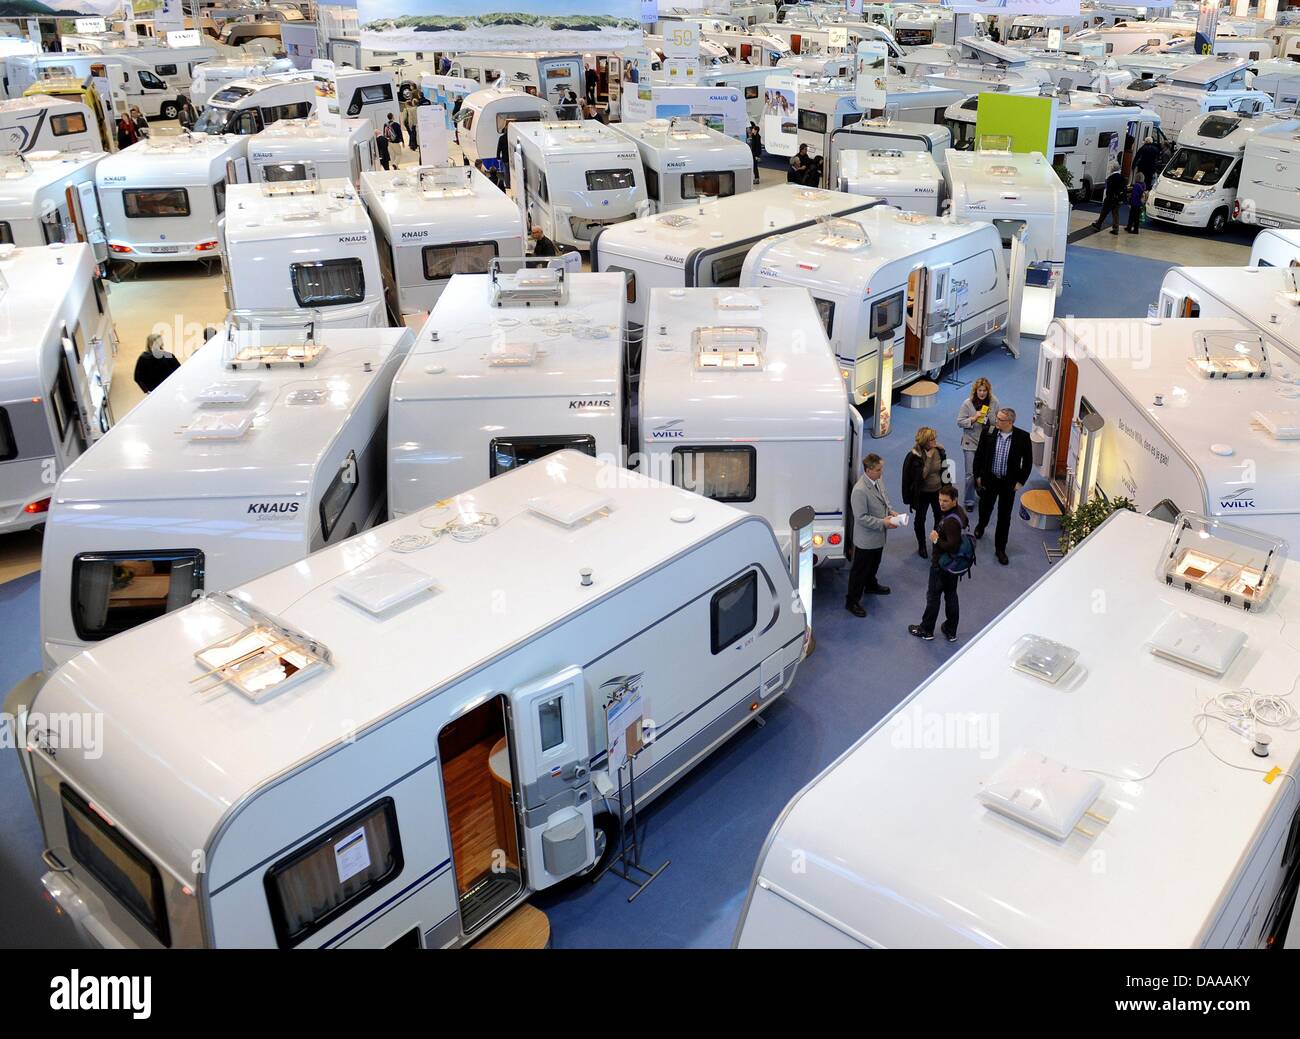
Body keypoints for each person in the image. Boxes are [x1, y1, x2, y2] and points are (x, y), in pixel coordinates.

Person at [972, 407, 1033, 565]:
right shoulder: (989, 432)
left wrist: (1020, 482)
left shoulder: (1022, 437)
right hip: (989, 480)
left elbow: (1027, 462)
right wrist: (977, 476)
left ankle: (1000, 548)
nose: (996, 421)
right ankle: (981, 525)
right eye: (997, 418)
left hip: (1008, 484)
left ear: (1010, 422)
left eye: (1000, 419)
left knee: (1004, 517)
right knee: (985, 507)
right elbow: (979, 455)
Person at [909, 484, 967, 643]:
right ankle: (950, 630)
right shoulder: (960, 513)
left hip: (942, 566)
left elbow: (952, 546)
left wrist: (936, 539)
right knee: (951, 595)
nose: (941, 503)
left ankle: (926, 630)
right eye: (940, 500)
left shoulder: (950, 522)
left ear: (954, 500)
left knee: (933, 597)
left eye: (946, 501)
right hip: (954, 566)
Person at [845, 454, 902, 617]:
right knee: (859, 571)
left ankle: (871, 585)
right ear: (868, 470)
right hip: (866, 540)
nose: (881, 472)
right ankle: (852, 601)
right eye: (878, 470)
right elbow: (861, 518)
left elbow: (885, 499)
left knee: (874, 564)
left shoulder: (877, 480)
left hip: (878, 537)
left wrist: (891, 512)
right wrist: (884, 522)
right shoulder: (860, 490)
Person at [900, 426, 946, 560]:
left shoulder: (939, 451)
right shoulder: (914, 456)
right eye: (932, 439)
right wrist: (929, 458)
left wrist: (947, 489)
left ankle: (936, 542)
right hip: (922, 494)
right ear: (925, 441)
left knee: (940, 518)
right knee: (920, 520)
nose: (935, 441)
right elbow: (920, 477)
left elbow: (944, 470)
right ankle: (922, 545)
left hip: (938, 491)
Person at [956, 377, 999, 509]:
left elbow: (997, 422)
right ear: (975, 391)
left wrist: (989, 422)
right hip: (970, 442)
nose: (982, 393)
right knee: (970, 475)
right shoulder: (967, 404)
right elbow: (959, 422)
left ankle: (981, 490)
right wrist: (973, 418)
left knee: (985, 473)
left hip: (986, 443)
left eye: (984, 390)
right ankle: (969, 501)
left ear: (988, 391)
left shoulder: (994, 402)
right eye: (980, 390)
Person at [1092, 162, 1126, 235]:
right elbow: (1124, 189)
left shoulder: (1111, 178)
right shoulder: (1122, 177)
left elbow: (1109, 189)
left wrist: (1107, 197)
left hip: (1110, 198)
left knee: (1104, 212)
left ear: (1113, 169)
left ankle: (1098, 225)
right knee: (1115, 214)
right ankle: (1116, 229)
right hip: (1118, 199)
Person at [1126, 170, 1147, 234]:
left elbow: (1134, 196)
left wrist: (1130, 202)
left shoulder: (1136, 185)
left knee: (1132, 216)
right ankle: (1133, 228)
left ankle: (1133, 229)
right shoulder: (1143, 184)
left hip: (1135, 203)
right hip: (1140, 203)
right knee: (1136, 217)